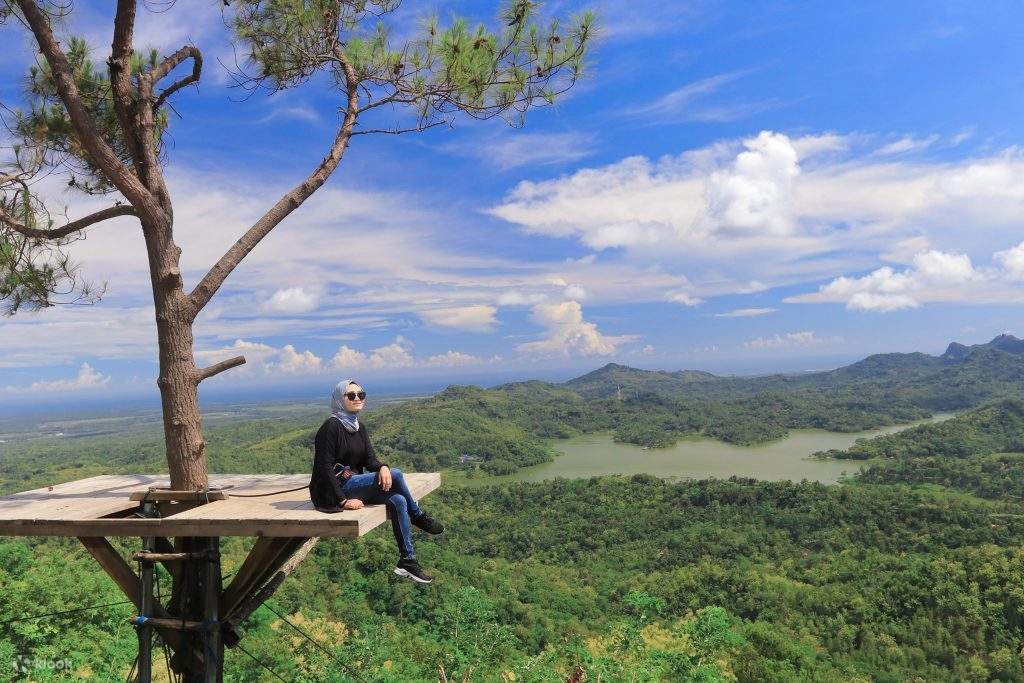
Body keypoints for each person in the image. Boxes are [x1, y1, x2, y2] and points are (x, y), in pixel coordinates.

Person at [309, 379, 444, 584]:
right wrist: (342, 501)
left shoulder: (358, 427)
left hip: (355, 484)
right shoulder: (331, 427)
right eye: (351, 395)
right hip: (335, 490)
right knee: (397, 475)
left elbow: (369, 460)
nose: (357, 398)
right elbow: (324, 467)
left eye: (361, 395)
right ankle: (417, 515)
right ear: (339, 399)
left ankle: (407, 560)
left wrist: (382, 466)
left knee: (399, 500)